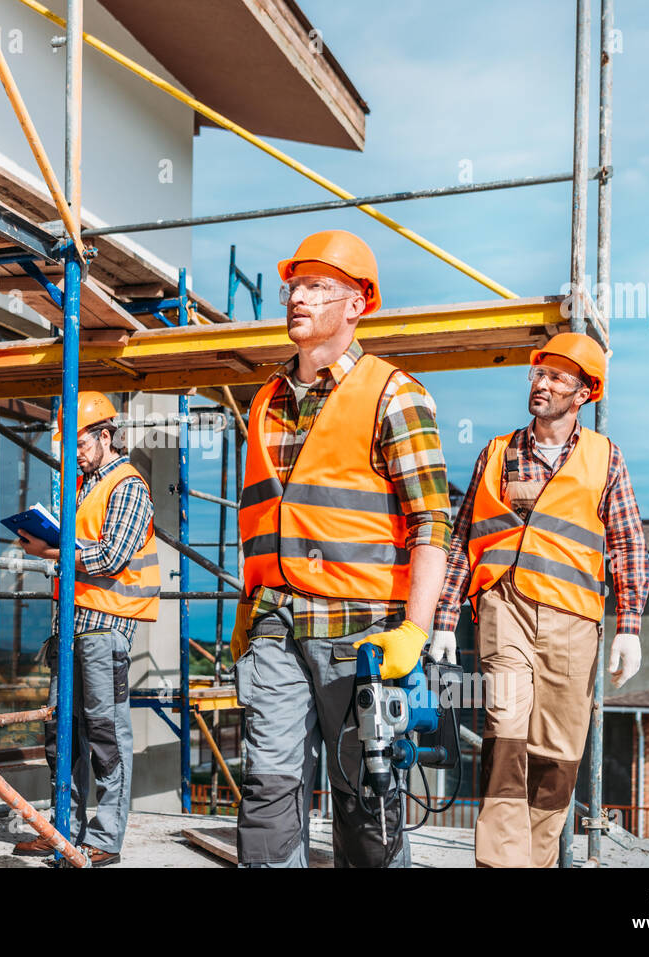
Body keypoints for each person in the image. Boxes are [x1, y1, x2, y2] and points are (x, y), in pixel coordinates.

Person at [232, 229, 452, 867]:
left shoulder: (394, 395)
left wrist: (416, 629)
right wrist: (251, 607)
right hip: (275, 623)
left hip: (361, 634)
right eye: (293, 287)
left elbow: (432, 522)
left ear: (358, 304)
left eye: (317, 287)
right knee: (268, 787)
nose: (297, 298)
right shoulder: (267, 400)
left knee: (366, 795)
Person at [431, 332, 649, 868]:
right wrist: (443, 618)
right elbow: (464, 540)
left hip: (574, 621)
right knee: (505, 732)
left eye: (556, 378)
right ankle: (500, 863)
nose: (542, 384)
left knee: (558, 752)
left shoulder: (606, 458)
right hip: (504, 609)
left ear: (583, 393)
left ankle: (536, 858)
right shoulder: (499, 452)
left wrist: (629, 627)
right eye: (538, 374)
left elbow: (626, 543)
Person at [13, 392, 159, 867]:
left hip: (103, 630)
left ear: (105, 435)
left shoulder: (128, 486)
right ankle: (62, 830)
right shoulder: (84, 487)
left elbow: (111, 557)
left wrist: (52, 552)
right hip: (72, 628)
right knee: (62, 736)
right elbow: (81, 548)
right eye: (67, 445)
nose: (71, 453)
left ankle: (105, 838)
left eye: (78, 443)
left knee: (106, 737)